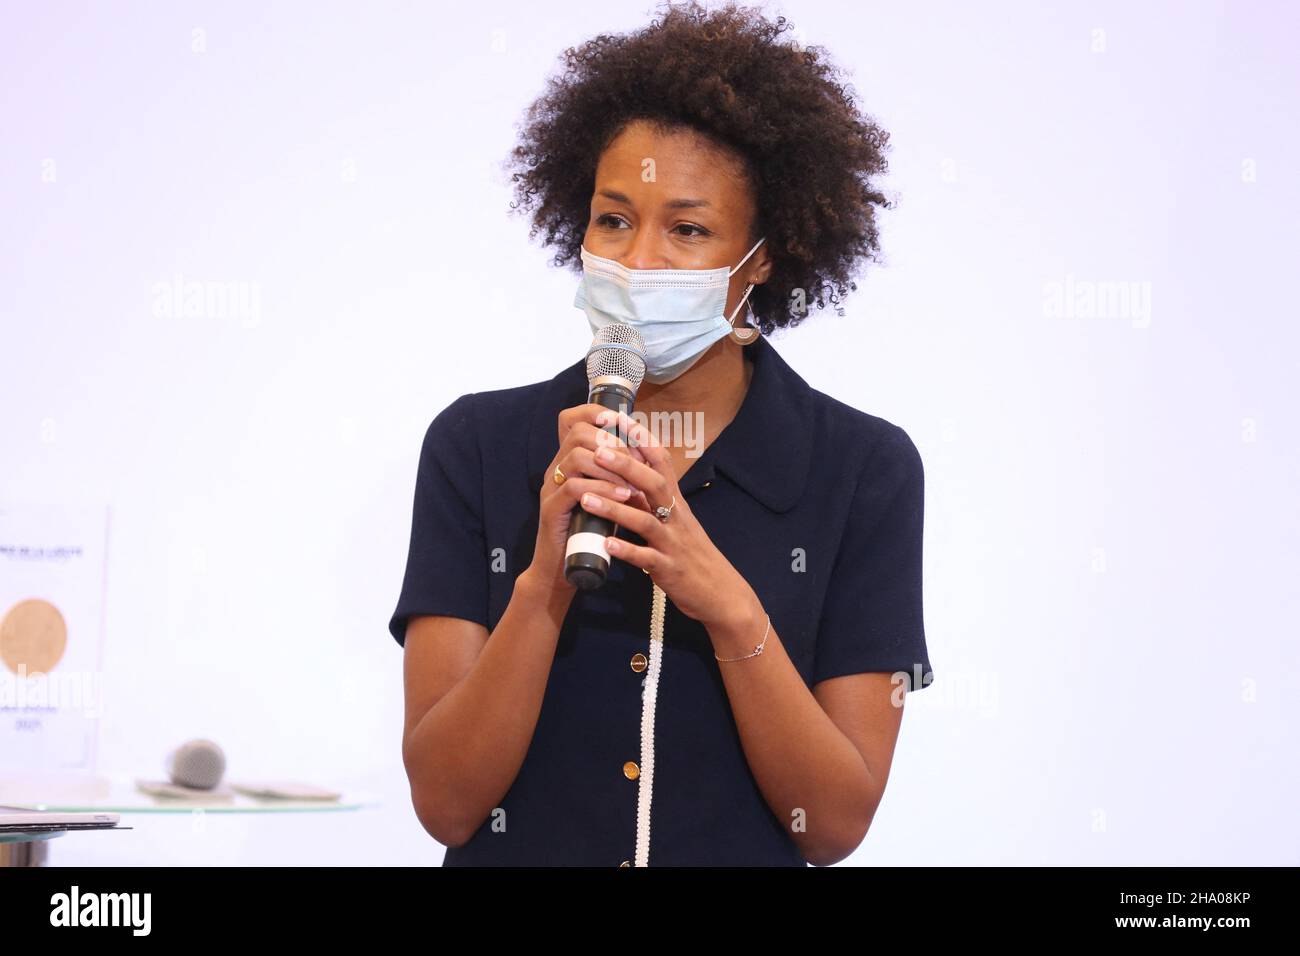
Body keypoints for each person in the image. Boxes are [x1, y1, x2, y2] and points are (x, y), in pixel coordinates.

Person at [389, 0, 934, 867]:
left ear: (761, 259)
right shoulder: (479, 445)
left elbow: (831, 827)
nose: (637, 261)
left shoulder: (863, 470)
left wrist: (728, 606)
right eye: (614, 219)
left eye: (686, 230)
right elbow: (448, 806)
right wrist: (542, 587)